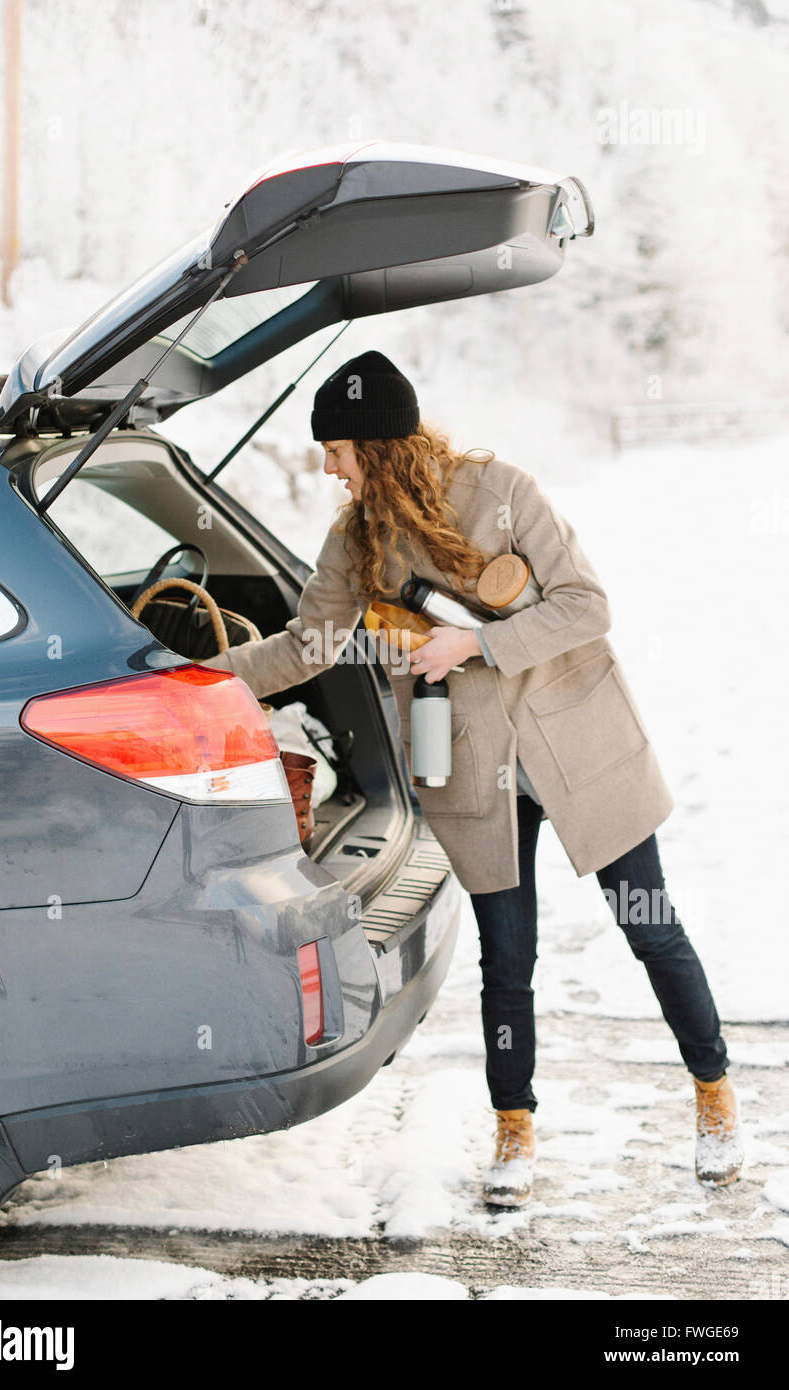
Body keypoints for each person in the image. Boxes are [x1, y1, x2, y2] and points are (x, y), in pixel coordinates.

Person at [201, 349, 743, 1207]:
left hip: (579, 742)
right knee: (508, 957)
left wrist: (477, 643)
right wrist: (201, 678)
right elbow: (309, 644)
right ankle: (514, 1131)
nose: (331, 471)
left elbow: (586, 604)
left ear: (376, 446)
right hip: (470, 760)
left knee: (653, 930)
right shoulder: (356, 540)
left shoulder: (504, 491)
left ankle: (714, 1096)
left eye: (338, 452)